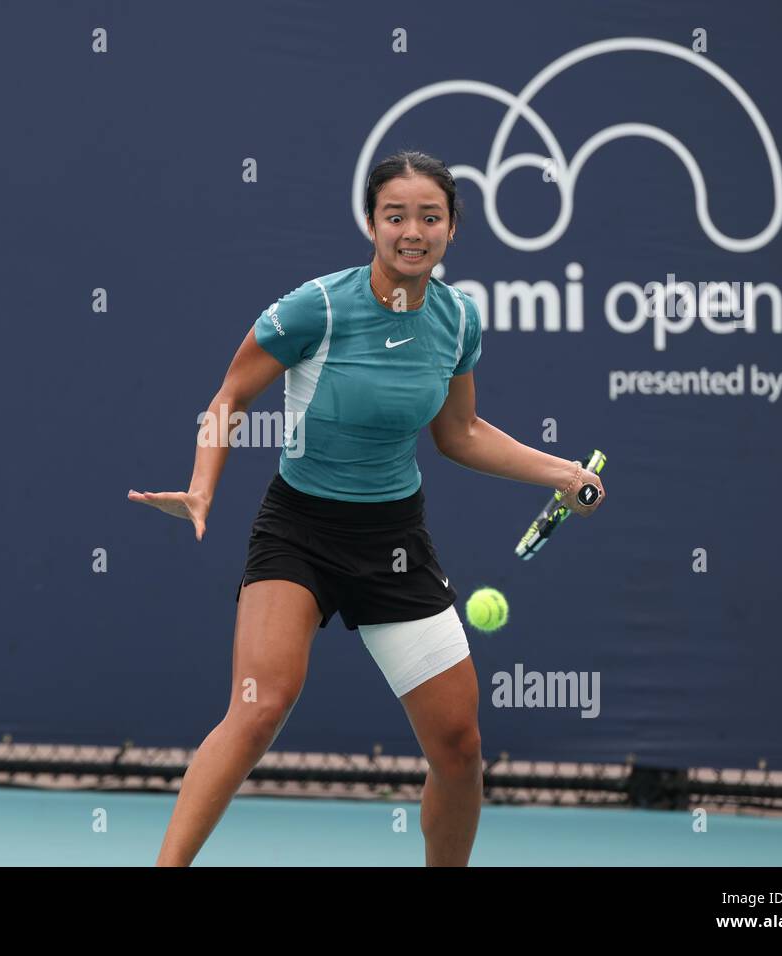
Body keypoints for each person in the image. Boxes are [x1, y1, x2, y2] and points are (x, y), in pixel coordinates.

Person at [128, 150, 606, 866]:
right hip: (298, 530)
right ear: (370, 223)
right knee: (259, 706)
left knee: (459, 746)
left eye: (430, 217)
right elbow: (230, 397)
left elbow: (460, 433)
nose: (412, 231)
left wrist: (560, 472)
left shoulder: (456, 321)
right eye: (395, 216)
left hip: (393, 541)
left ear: (452, 228)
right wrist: (202, 487)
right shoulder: (315, 307)